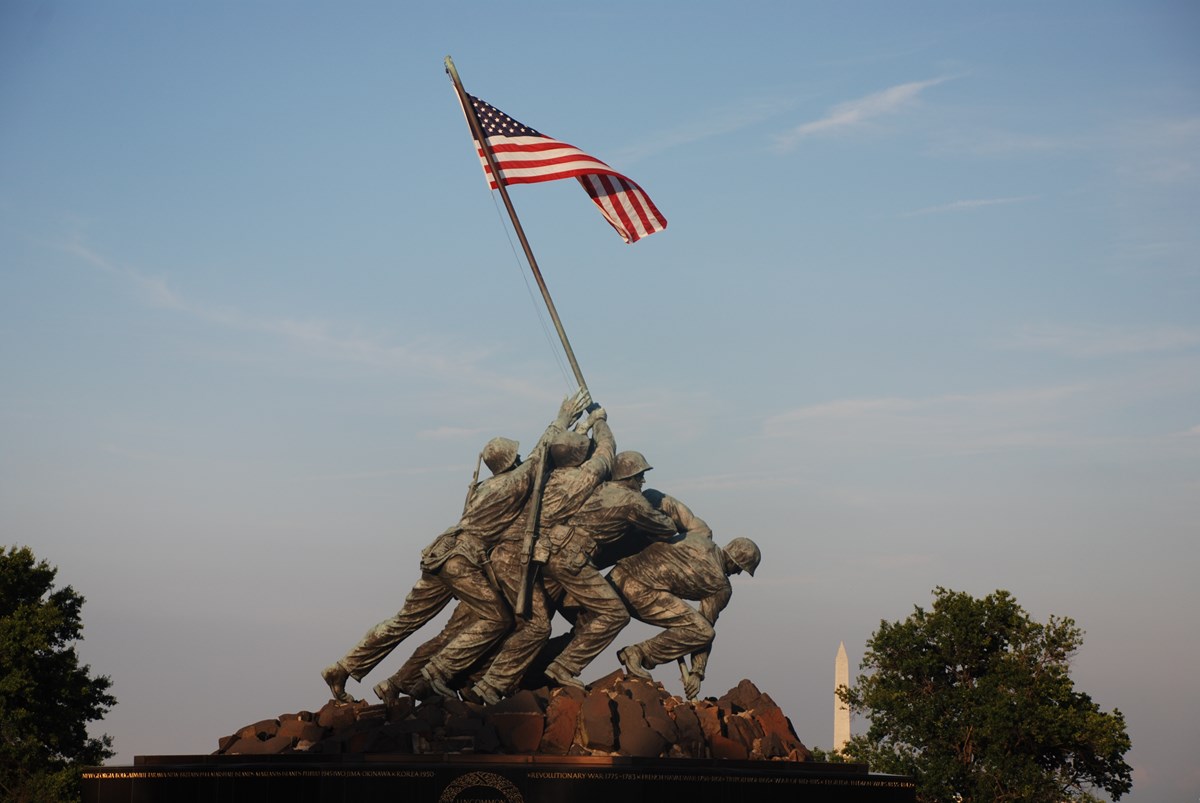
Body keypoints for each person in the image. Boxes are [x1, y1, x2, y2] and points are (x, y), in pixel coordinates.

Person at [320, 390, 589, 703]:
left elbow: (535, 462)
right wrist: (561, 420)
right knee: (498, 618)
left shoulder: (486, 487)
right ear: (508, 462)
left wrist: (576, 433)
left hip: (441, 553)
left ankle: (344, 666)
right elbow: (538, 459)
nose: (518, 459)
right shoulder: (510, 484)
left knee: (404, 621)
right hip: (462, 561)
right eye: (514, 457)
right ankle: (439, 672)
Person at [522, 450, 680, 691]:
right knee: (615, 615)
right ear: (628, 476)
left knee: (579, 619)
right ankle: (563, 667)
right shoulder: (632, 500)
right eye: (640, 477)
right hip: (572, 559)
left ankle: (532, 668)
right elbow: (666, 528)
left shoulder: (600, 489)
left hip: (551, 552)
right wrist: (662, 505)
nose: (642, 482)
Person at [609, 491, 760, 700]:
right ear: (737, 563)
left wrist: (642, 498)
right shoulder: (721, 586)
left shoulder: (700, 533)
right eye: (741, 569)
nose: (738, 573)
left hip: (617, 575)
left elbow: (666, 503)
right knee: (702, 631)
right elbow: (703, 631)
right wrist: (697, 672)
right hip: (641, 591)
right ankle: (639, 653)